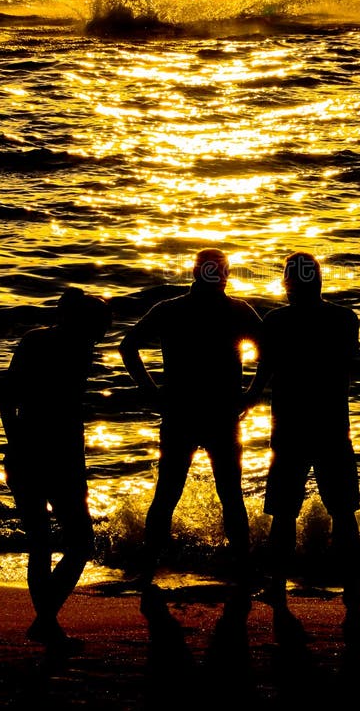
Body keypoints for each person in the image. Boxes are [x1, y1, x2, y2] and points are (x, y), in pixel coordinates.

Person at [119, 248, 262, 592]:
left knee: (170, 492)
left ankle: (148, 570)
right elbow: (271, 351)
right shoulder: (235, 311)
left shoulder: (172, 309)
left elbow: (128, 346)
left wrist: (151, 392)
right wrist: (253, 392)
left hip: (185, 412)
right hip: (217, 413)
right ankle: (243, 569)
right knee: (226, 493)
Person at [243, 252, 360, 609]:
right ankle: (351, 586)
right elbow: (348, 366)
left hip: (290, 426)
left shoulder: (276, 321)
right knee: (343, 511)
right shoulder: (344, 319)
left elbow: (264, 372)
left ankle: (277, 586)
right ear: (320, 282)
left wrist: (246, 400)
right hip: (331, 424)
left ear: (286, 285)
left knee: (283, 511)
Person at [0, 287, 112, 649]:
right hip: (58, 456)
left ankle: (45, 621)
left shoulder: (40, 341)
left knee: (43, 544)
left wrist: (14, 440)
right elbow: (14, 398)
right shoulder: (76, 348)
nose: (103, 334)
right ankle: (45, 621)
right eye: (99, 326)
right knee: (78, 542)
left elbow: (7, 398)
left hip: (32, 451)